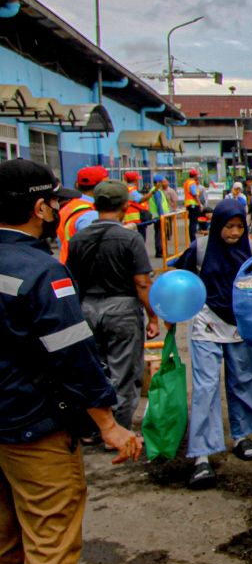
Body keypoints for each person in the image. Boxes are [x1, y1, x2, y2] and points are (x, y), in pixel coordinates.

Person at [0, 158, 141, 564]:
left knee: (3, 539)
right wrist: (109, 422)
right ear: (40, 207)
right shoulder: (41, 271)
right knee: (49, 546)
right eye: (54, 202)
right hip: (35, 430)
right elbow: (73, 356)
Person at [172, 199, 252, 488]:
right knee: (205, 388)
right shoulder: (199, 249)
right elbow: (181, 280)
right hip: (206, 323)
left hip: (239, 324)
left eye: (239, 226)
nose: (234, 232)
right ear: (218, 225)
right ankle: (202, 454)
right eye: (229, 226)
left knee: (244, 379)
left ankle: (242, 435)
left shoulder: (250, 248)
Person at [66, 180, 159, 432]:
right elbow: (141, 283)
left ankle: (91, 428)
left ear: (95, 205)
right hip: (122, 309)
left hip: (86, 308)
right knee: (124, 373)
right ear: (125, 206)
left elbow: (71, 281)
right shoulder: (129, 239)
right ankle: (118, 430)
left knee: (94, 370)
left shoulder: (78, 238)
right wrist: (153, 316)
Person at [55, 165, 106, 264]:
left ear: (78, 185)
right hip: (82, 271)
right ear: (101, 187)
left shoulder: (68, 207)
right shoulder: (90, 214)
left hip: (68, 266)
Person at [147, 174, 172, 259]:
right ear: (159, 183)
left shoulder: (156, 190)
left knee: (160, 234)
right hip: (159, 216)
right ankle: (160, 251)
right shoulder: (156, 191)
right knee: (160, 234)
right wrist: (162, 216)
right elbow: (159, 205)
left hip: (159, 216)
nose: (165, 183)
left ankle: (162, 251)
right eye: (163, 181)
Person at [182, 168, 203, 241]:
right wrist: (200, 204)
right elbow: (195, 194)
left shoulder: (187, 182)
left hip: (188, 205)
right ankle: (193, 239)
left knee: (192, 222)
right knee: (193, 222)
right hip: (193, 204)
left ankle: (192, 238)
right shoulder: (192, 183)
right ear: (195, 176)